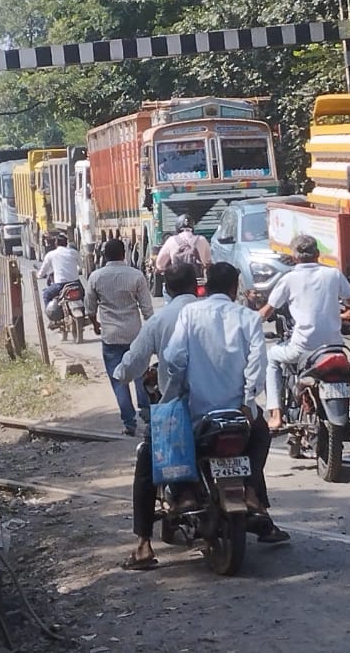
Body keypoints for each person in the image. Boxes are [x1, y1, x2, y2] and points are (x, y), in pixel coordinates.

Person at [160, 262, 289, 544]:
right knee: (261, 436)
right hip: (239, 414)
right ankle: (252, 490)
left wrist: (179, 385)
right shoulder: (248, 317)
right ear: (234, 288)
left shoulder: (190, 313)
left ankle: (185, 494)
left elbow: (173, 357)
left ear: (206, 286)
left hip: (198, 413)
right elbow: (257, 363)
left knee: (173, 442)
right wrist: (246, 401)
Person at [112, 263, 202, 569]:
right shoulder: (214, 313)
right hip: (220, 406)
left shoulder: (161, 319)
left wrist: (120, 373)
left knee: (146, 463)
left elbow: (134, 361)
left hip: (177, 410)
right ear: (196, 286)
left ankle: (143, 545)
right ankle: (259, 508)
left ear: (167, 289)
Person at [258, 234, 350, 431]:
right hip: (335, 348)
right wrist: (342, 316)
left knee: (271, 357)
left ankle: (276, 415)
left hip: (303, 348)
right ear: (318, 254)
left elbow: (267, 311)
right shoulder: (333, 275)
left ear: (294, 257)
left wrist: (248, 320)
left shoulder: (289, 279)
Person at [85, 238, 155, 436]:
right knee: (141, 375)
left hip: (111, 337)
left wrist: (96, 325)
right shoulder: (136, 276)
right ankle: (147, 415)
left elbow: (90, 308)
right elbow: (147, 310)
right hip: (135, 335)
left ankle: (129, 423)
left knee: (118, 380)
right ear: (124, 254)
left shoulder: (96, 277)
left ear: (105, 256)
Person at [39, 233, 81, 307]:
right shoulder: (74, 253)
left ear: (56, 243)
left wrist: (39, 275)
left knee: (46, 294)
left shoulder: (51, 254)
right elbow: (82, 266)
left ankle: (51, 316)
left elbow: (42, 271)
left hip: (60, 285)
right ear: (66, 243)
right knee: (84, 295)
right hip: (76, 283)